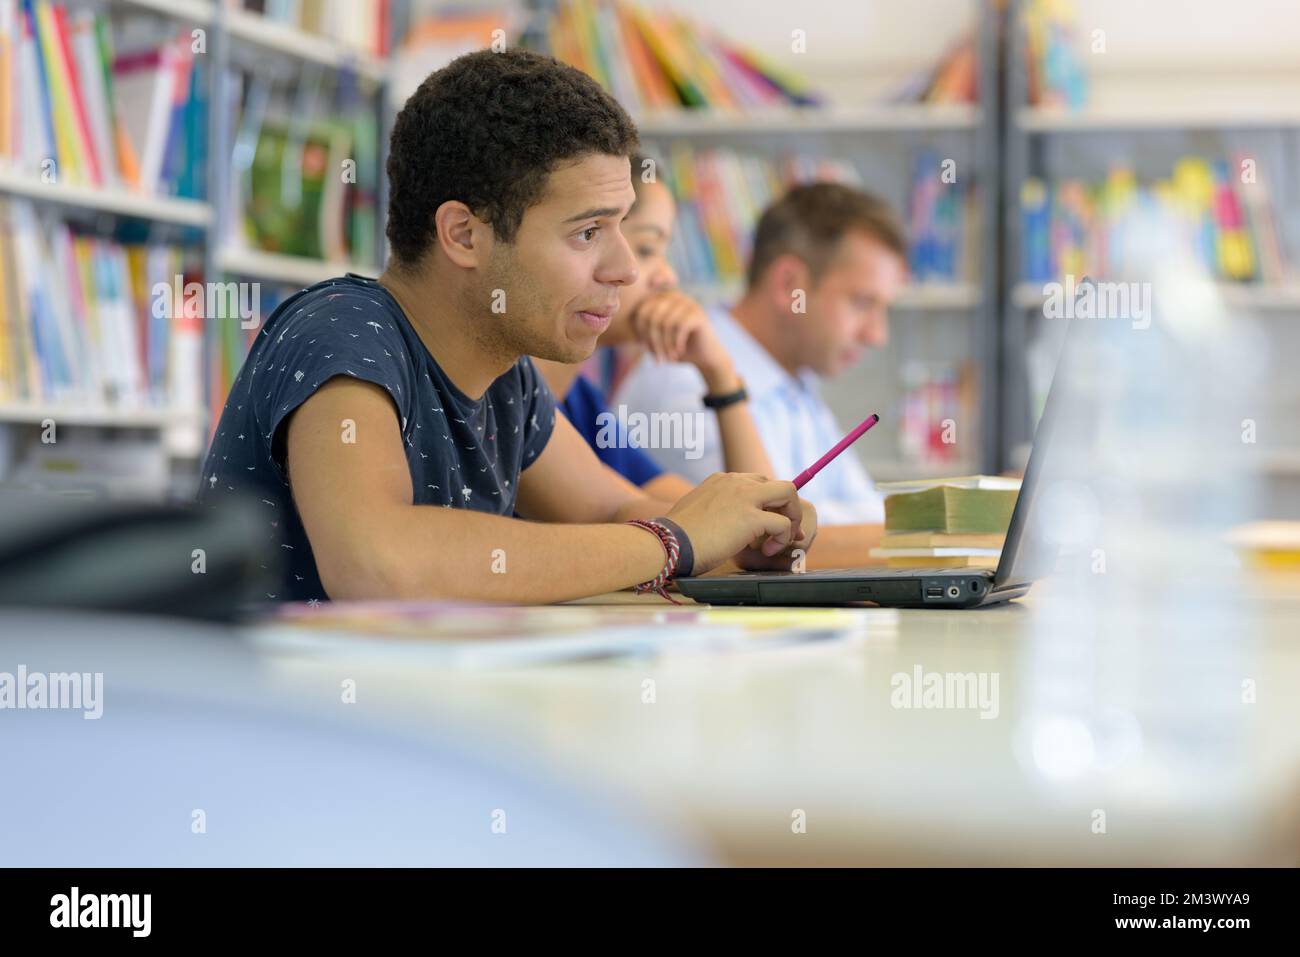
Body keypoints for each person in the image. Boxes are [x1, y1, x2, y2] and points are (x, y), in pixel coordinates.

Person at [198, 48, 815, 603]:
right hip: (276, 724)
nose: (626, 268)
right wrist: (675, 539)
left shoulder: (505, 379)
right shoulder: (342, 332)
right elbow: (375, 561)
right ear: (464, 234)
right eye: (588, 232)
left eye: (624, 227)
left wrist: (741, 530)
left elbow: (612, 508)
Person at [615, 182, 906, 567]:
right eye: (862, 303)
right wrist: (964, 539)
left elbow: (865, 509)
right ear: (789, 285)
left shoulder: (794, 382)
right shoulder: (683, 375)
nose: (877, 335)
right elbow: (762, 546)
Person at [531, 157, 774, 502]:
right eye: (647, 249)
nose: (668, 278)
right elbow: (737, 531)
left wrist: (720, 374)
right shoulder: (519, 404)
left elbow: (752, 522)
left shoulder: (582, 402)